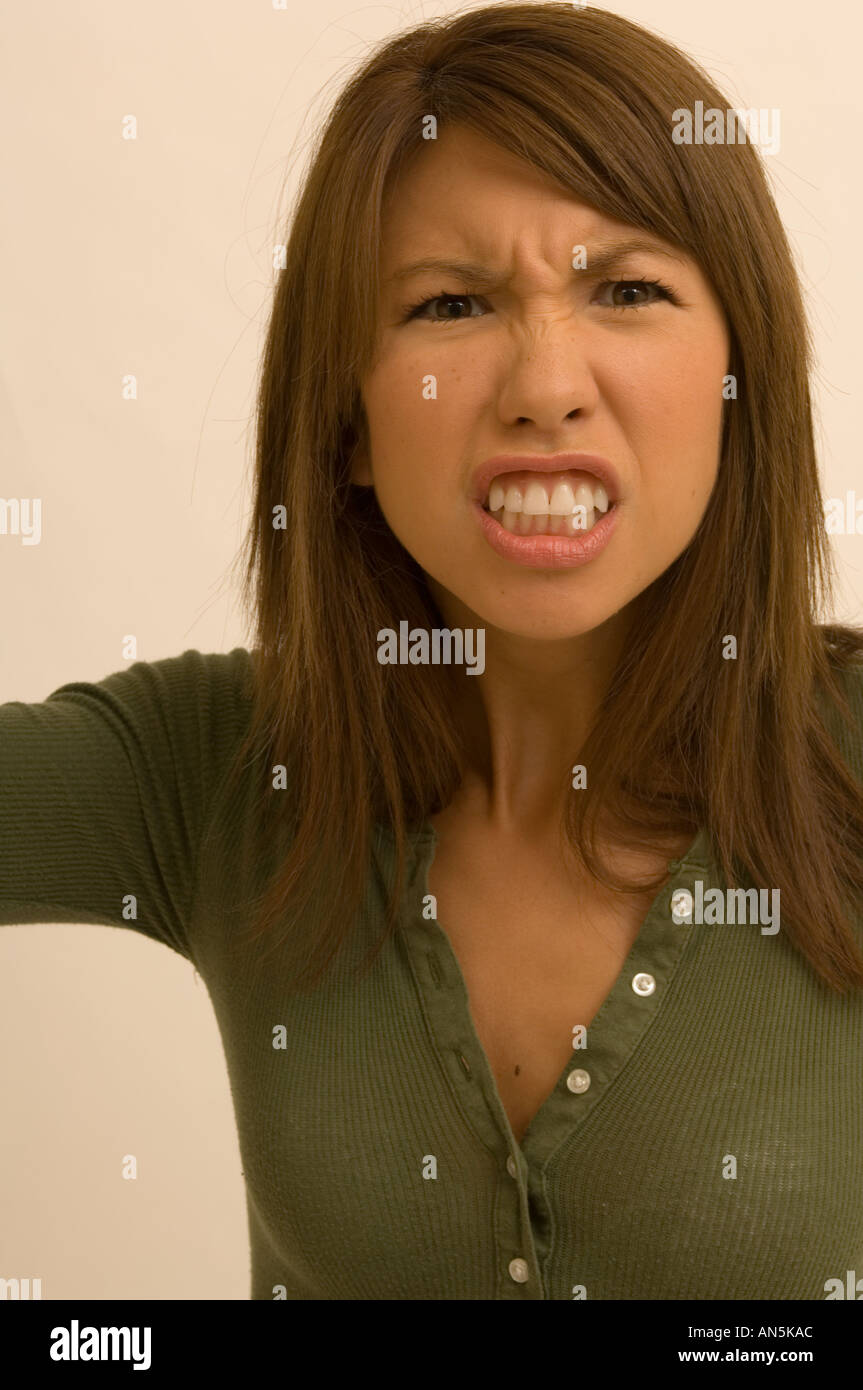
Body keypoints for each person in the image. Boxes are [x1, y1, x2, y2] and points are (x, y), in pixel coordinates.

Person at [3, 2, 863, 1301]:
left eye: (626, 289)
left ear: (742, 382)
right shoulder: (218, 774)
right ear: (346, 422)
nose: (544, 383)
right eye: (450, 304)